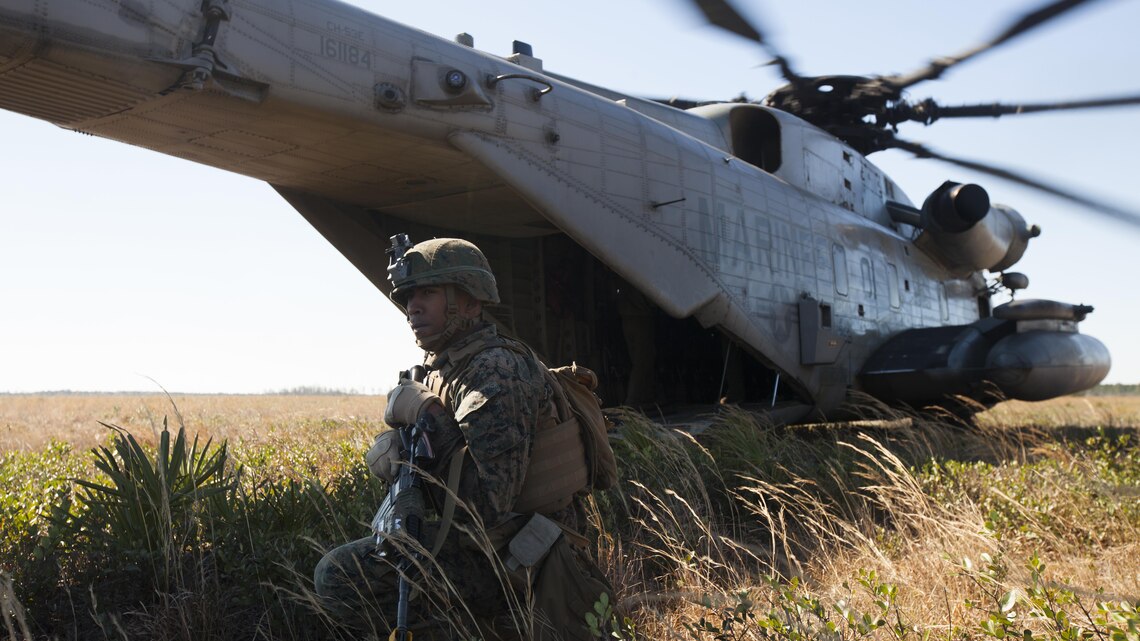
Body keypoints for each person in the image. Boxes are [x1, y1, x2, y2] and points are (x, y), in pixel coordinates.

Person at [314, 236, 609, 640]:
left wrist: (431, 417)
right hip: (494, 546)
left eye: (429, 293)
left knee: (338, 576)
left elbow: (488, 507)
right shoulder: (445, 367)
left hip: (525, 559)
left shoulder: (496, 371)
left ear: (470, 302)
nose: (412, 307)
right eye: (409, 296)